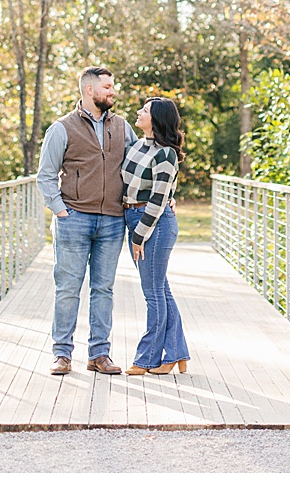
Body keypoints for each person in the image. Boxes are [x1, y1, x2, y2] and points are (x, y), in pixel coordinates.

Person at [36, 66, 136, 375]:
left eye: (112, 86)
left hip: (112, 221)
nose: (112, 91)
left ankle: (99, 354)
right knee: (68, 288)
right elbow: (46, 175)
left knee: (103, 289)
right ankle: (62, 354)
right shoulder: (62, 128)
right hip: (74, 219)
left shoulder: (122, 126)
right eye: (107, 87)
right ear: (89, 90)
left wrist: (164, 192)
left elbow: (139, 166)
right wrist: (60, 210)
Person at [122, 96, 190, 376]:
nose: (138, 112)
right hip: (135, 219)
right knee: (160, 290)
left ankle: (147, 359)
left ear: (157, 119)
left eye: (145, 110)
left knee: (153, 294)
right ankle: (176, 354)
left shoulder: (166, 153)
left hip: (153, 225)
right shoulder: (139, 145)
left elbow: (158, 199)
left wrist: (139, 236)